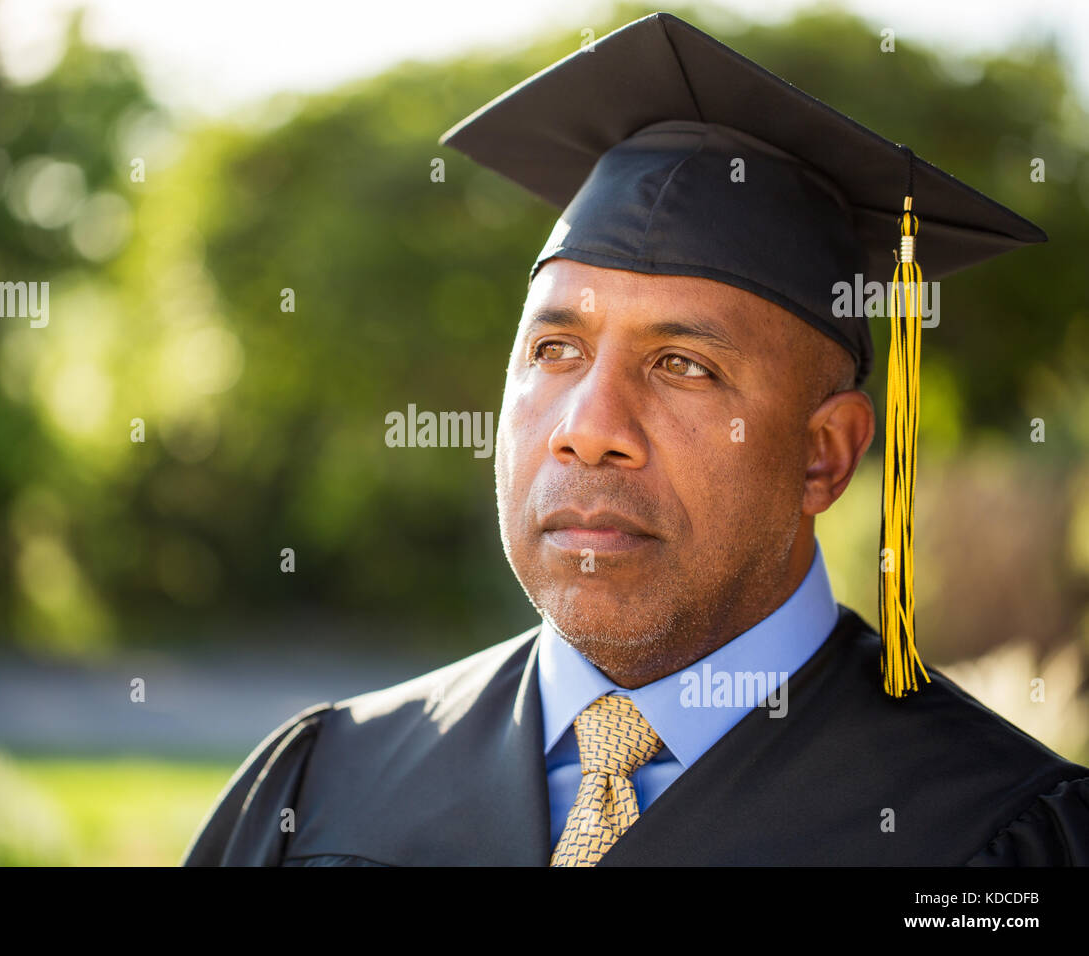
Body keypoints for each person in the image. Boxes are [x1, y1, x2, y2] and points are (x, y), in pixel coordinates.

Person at [183, 13, 1089, 866]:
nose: (589, 429)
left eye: (683, 366)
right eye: (555, 350)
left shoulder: (992, 837)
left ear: (826, 454)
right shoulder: (324, 789)